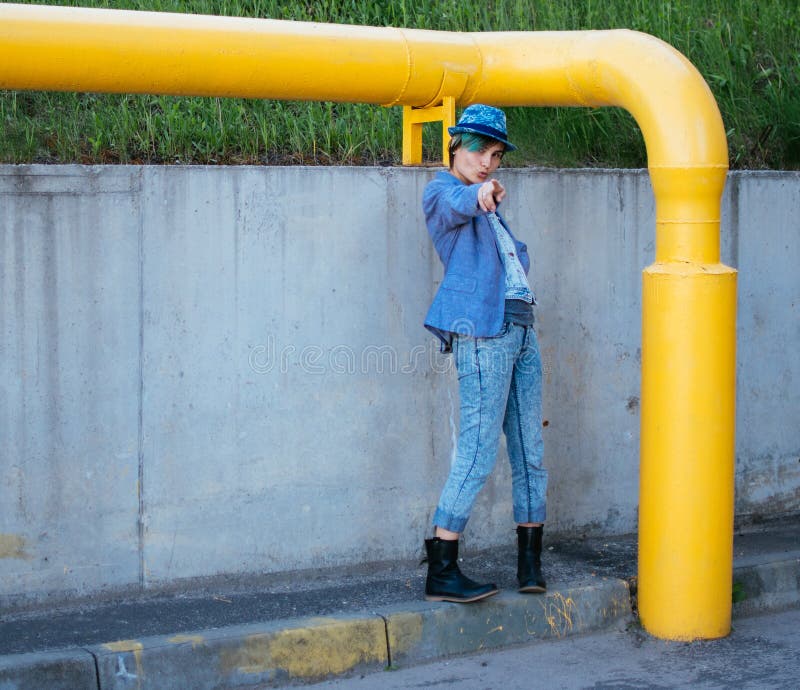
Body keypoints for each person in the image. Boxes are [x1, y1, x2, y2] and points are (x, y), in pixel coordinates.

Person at [422, 104, 547, 603]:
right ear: (454, 146)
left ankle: (530, 563)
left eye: (494, 154)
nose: (487, 161)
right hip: (485, 336)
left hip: (521, 331)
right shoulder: (442, 192)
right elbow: (461, 202)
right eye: (478, 149)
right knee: (476, 451)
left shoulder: (489, 207)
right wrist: (483, 192)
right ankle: (442, 567)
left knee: (529, 452)